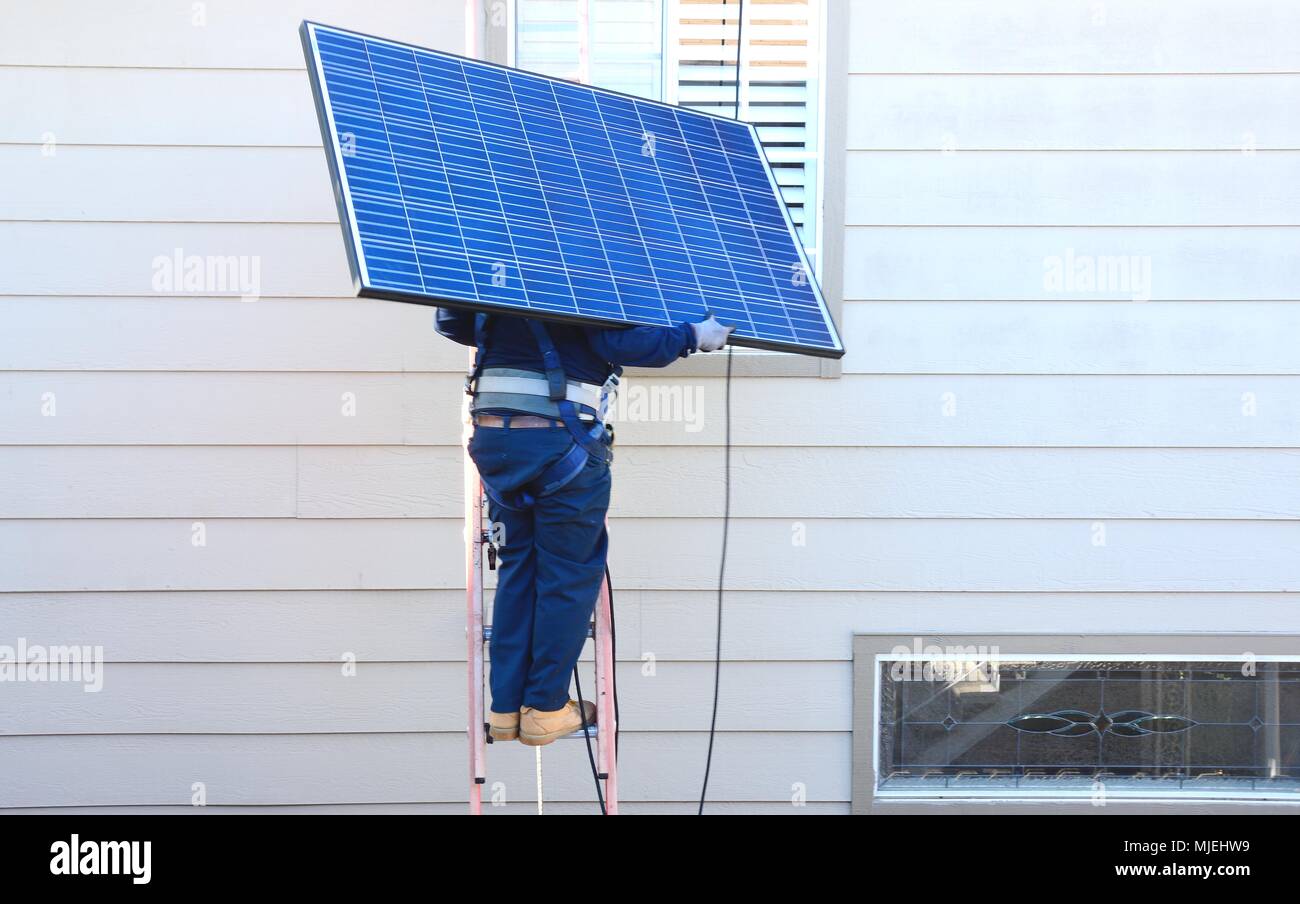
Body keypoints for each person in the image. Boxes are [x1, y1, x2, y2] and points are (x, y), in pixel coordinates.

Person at [436, 308, 733, 746]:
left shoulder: (497, 259)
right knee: (567, 578)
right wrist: (690, 335)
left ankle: (505, 710)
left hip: (495, 444)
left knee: (519, 570)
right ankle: (545, 708)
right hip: (558, 443)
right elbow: (617, 343)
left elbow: (453, 323)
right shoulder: (578, 262)